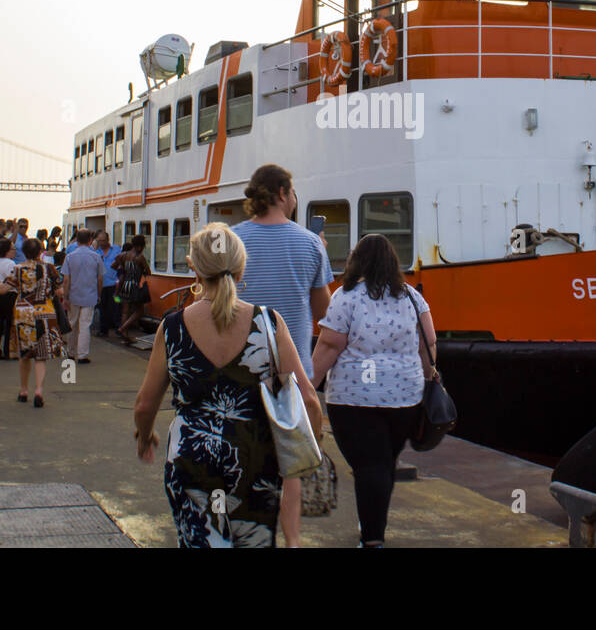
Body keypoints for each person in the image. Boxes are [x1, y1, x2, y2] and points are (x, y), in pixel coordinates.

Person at [133, 223, 321, 548]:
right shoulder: (268, 323)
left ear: (193, 266)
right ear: (241, 265)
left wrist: (145, 435)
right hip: (255, 464)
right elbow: (308, 399)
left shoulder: (172, 328)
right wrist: (307, 452)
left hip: (191, 461)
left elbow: (144, 405)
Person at [311, 233, 438, 547]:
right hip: (404, 397)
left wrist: (306, 385)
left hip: (355, 398)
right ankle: (372, 522)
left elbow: (329, 345)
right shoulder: (412, 297)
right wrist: (427, 378)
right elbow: (429, 343)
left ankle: (372, 539)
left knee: (369, 465)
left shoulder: (347, 296)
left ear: (358, 261)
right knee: (383, 464)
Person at [232, 163, 333, 547]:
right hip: (291, 375)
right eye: (292, 193)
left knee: (243, 459)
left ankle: (244, 534)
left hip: (240, 368)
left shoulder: (233, 240)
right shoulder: (309, 244)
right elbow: (324, 312)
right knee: (289, 466)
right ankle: (291, 541)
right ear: (282, 192)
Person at [1, 237, 65, 406]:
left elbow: (3, 289)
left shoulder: (18, 268)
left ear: (24, 252)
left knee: (24, 355)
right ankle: (38, 391)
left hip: (24, 313)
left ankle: (23, 391)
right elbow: (60, 292)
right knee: (41, 356)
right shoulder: (49, 268)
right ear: (39, 251)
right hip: (45, 312)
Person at [60, 228, 104, 364]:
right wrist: (99, 294)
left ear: (77, 240)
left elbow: (66, 279)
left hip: (73, 295)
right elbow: (100, 278)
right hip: (90, 295)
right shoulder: (96, 256)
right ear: (91, 240)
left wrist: (65, 297)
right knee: (85, 325)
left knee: (72, 323)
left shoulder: (70, 257)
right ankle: (83, 354)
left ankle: (71, 352)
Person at [115, 235, 153, 343]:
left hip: (125, 285)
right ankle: (122, 329)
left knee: (125, 312)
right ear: (141, 246)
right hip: (134, 285)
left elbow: (114, 266)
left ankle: (125, 336)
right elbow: (148, 271)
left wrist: (124, 268)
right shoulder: (139, 257)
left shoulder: (123, 255)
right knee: (139, 311)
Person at [94, 230, 121, 338]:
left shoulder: (117, 249)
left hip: (115, 284)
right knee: (102, 307)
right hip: (102, 285)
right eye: (99, 241)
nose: (101, 243)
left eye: (103, 240)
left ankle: (118, 327)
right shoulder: (96, 251)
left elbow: (121, 264)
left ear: (108, 240)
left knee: (116, 305)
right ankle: (103, 330)